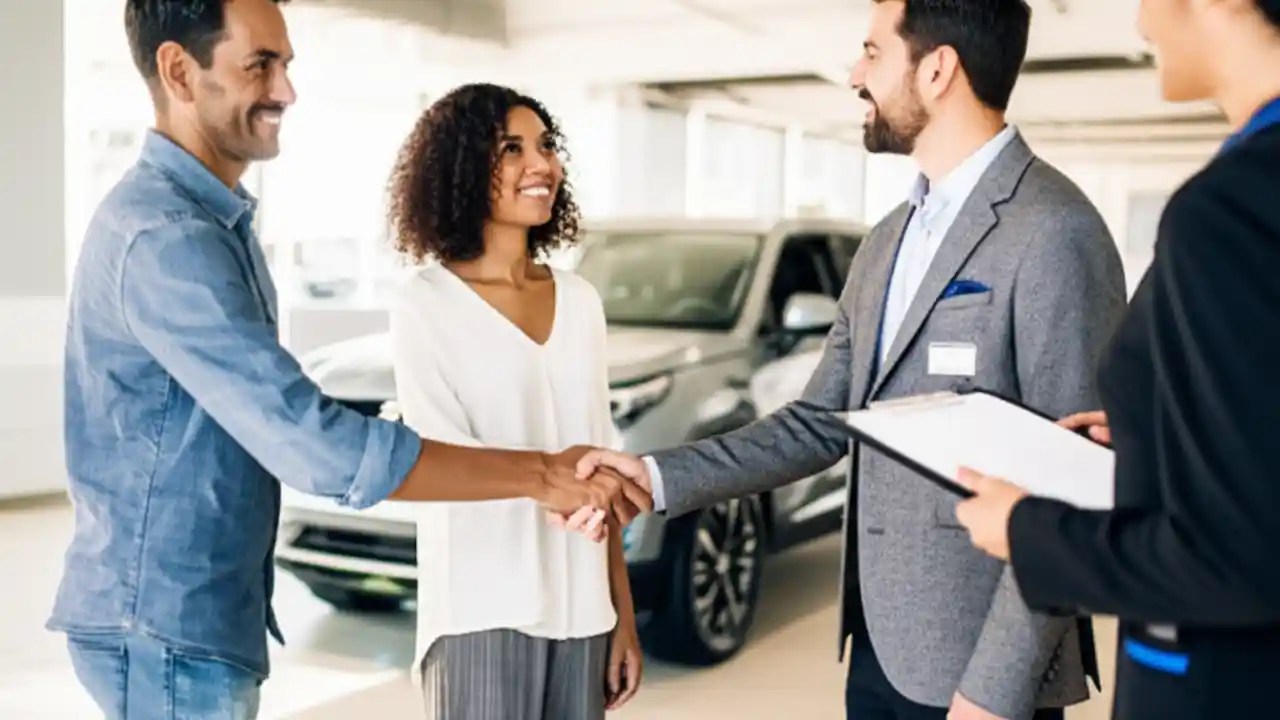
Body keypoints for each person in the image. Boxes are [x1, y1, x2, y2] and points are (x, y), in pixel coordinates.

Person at [50, 2, 648, 718]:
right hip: (165, 625)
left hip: (193, 618)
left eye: (286, 65)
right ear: (179, 70)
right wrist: (543, 474)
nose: (286, 90)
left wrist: (613, 593)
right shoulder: (168, 236)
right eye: (260, 65)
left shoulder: (216, 223)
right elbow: (315, 446)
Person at [576, 1, 1128, 719]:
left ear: (938, 69)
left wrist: (995, 691)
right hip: (876, 648)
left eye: (872, 51)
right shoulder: (888, 238)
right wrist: (653, 477)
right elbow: (819, 420)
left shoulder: (1055, 229)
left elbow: (1071, 487)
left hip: (979, 677)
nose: (853, 75)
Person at [953, 1, 1280, 717]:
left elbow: (1241, 554)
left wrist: (1026, 533)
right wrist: (1158, 434)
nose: (1141, 24)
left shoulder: (1231, 208)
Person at [385, 83, 643, 720]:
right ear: (463, 167)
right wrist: (542, 477)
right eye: (512, 149)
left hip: (584, 611)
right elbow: (431, 465)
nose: (541, 164)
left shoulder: (580, 300)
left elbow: (601, 472)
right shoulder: (425, 302)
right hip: (480, 608)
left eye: (546, 146)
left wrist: (621, 612)